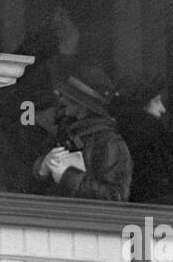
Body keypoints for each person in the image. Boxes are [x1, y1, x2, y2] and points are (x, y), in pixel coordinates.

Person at [32, 73, 132, 201]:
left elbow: (115, 196)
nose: (62, 101)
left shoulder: (109, 142)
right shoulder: (65, 132)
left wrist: (66, 177)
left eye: (68, 97)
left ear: (82, 104)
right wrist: (43, 168)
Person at [113, 77, 173, 206]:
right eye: (156, 101)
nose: (162, 109)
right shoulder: (152, 136)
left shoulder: (119, 134)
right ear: (139, 105)